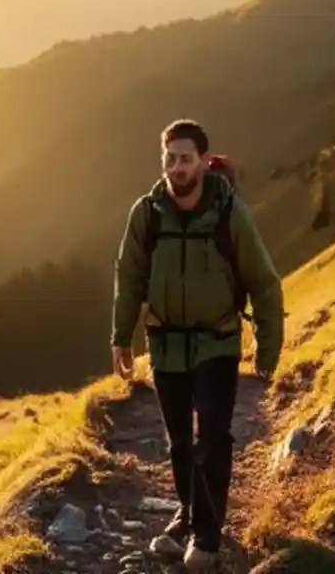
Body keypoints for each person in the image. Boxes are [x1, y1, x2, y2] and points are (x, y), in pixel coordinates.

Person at [110, 119, 284, 571]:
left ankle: (207, 536)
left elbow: (263, 282)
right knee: (179, 443)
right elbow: (128, 279)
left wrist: (268, 346)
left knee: (213, 438)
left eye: (185, 158)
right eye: (169, 157)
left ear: (204, 162)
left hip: (217, 341)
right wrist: (121, 338)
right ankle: (187, 514)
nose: (176, 166)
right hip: (165, 343)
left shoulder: (228, 212)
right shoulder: (146, 214)